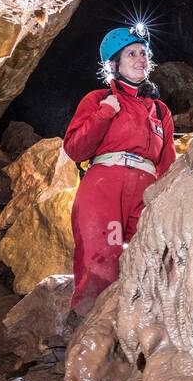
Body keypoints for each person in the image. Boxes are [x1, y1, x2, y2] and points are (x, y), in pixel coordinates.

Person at [63, 25, 176, 317]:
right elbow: (75, 148)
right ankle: (90, 338)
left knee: (153, 257)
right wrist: (105, 113)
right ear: (113, 64)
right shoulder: (97, 100)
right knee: (100, 262)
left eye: (143, 53)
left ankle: (144, 333)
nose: (141, 59)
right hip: (104, 184)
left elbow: (168, 164)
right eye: (131, 54)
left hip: (146, 189)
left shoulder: (160, 111)